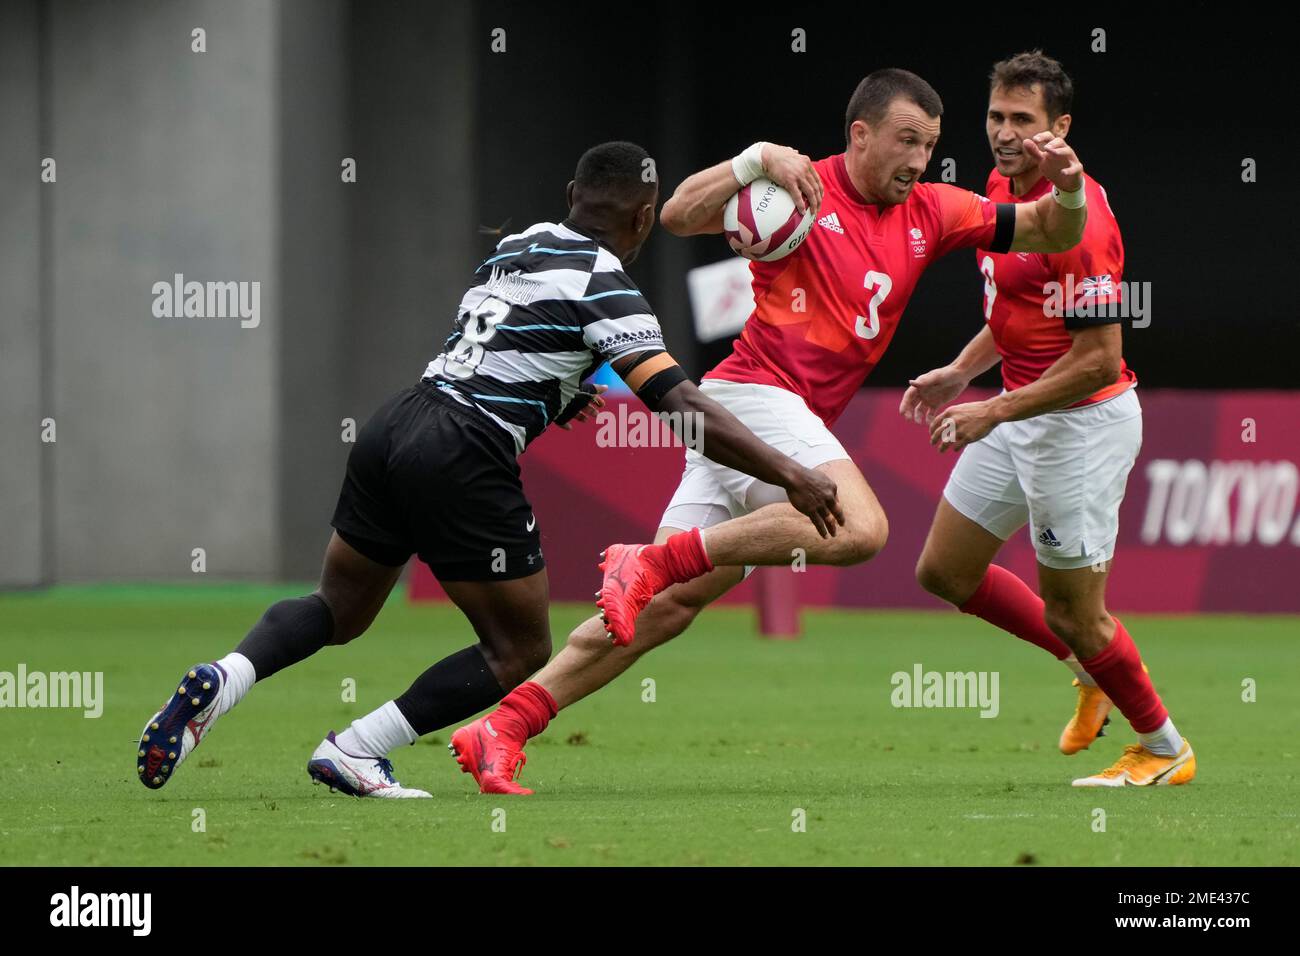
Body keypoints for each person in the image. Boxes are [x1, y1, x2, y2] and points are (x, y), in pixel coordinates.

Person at [451, 68, 1093, 795]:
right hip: (754, 395)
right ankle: (650, 561)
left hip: (766, 421)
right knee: (860, 528)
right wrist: (753, 159)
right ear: (860, 134)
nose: (919, 159)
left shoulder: (935, 209)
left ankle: (503, 725)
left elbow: (1053, 228)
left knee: (662, 611)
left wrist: (1069, 186)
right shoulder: (797, 186)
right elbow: (677, 215)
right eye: (906, 140)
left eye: (930, 145)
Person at [135, 141, 841, 798]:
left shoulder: (518, 243)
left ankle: (226, 677)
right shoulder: (609, 285)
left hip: (397, 423)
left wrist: (559, 389)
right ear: (644, 217)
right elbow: (681, 406)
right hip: (464, 450)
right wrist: (792, 473)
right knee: (519, 649)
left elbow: (510, 335)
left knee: (337, 608)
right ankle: (356, 749)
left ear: (571, 194)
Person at [903, 51, 1193, 787]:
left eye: (1023, 120)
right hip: (1017, 411)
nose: (1005, 133)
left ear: (1059, 128)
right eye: (995, 116)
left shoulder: (1083, 223)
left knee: (1076, 613)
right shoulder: (1004, 185)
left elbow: (1098, 360)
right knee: (945, 570)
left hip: (1080, 426)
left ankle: (1164, 748)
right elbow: (1015, 306)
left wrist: (992, 409)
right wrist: (961, 372)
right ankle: (1093, 673)